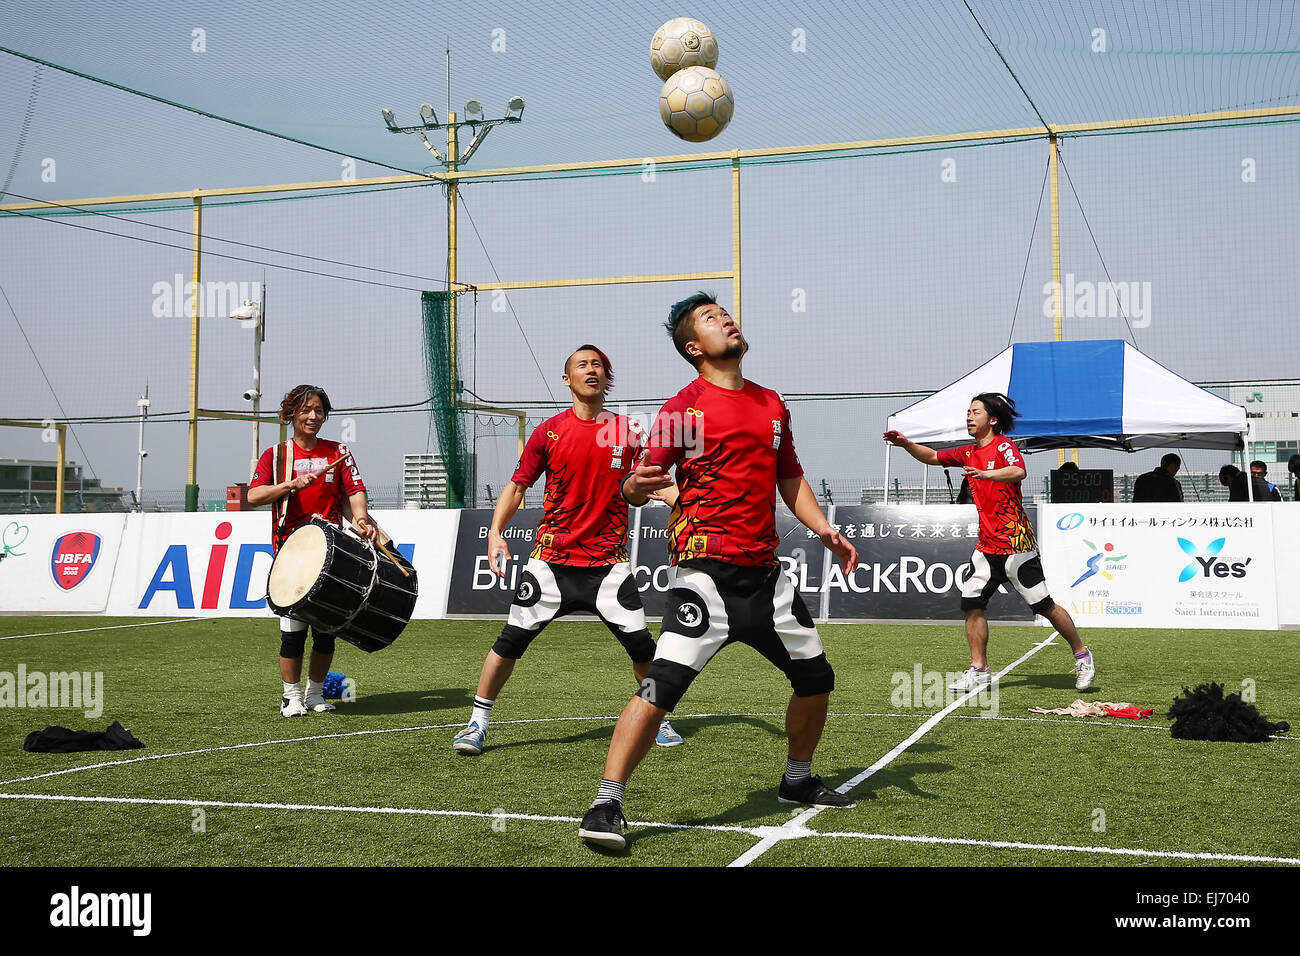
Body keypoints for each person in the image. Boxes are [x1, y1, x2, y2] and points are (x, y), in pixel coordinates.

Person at [577, 293, 859, 851]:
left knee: (816, 678)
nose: (727, 319)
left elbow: (791, 478)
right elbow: (641, 481)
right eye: (711, 318)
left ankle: (796, 781)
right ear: (693, 347)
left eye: (727, 313)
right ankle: (605, 804)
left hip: (768, 578)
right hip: (706, 575)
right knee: (660, 687)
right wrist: (635, 486)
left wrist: (823, 527)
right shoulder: (684, 409)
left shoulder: (772, 404)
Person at [451, 346, 682, 756]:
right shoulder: (549, 432)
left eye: (598, 365)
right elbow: (518, 485)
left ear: (606, 378)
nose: (591, 370)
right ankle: (477, 722)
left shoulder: (627, 431)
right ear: (567, 380)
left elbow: (655, 480)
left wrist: (682, 505)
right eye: (582, 365)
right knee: (509, 643)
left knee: (644, 649)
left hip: (608, 566)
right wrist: (495, 532)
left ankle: (656, 717)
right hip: (550, 563)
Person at [884, 393, 1095, 694]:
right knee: (972, 604)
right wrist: (906, 444)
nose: (969, 417)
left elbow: (1018, 471)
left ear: (992, 419)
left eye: (976, 412)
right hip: (986, 547)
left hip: (1016, 545)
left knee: (1044, 605)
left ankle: (1082, 654)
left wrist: (987, 474)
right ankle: (979, 669)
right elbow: (932, 456)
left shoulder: (1005, 446)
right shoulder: (967, 453)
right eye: (967, 412)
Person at [248, 385, 376, 717]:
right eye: (305, 410)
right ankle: (291, 697)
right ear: (291, 413)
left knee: (325, 630)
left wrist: (361, 519)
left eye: (318, 410)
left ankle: (315, 694)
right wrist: (288, 485)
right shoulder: (276, 456)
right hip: (290, 552)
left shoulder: (339, 452)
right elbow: (254, 496)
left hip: (332, 552)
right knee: (292, 632)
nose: (313, 416)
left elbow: (355, 491)